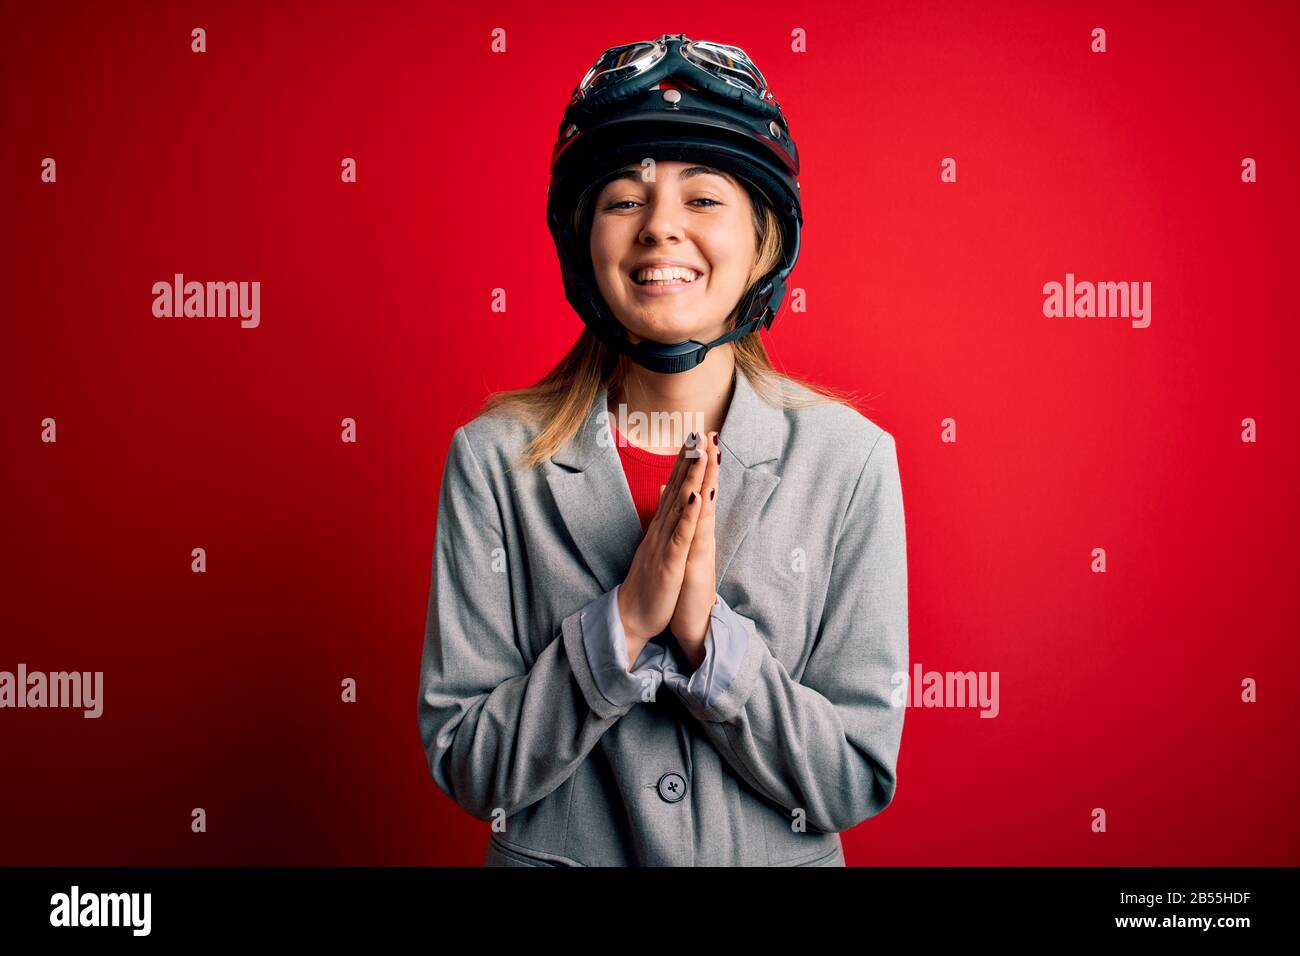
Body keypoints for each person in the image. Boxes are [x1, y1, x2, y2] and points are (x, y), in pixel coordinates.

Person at [418, 34, 908, 866]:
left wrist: (708, 642)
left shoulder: (851, 462)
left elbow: (855, 776)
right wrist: (623, 624)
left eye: (704, 199)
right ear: (582, 247)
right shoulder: (492, 461)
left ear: (764, 242)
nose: (661, 229)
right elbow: (470, 766)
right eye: (623, 200)